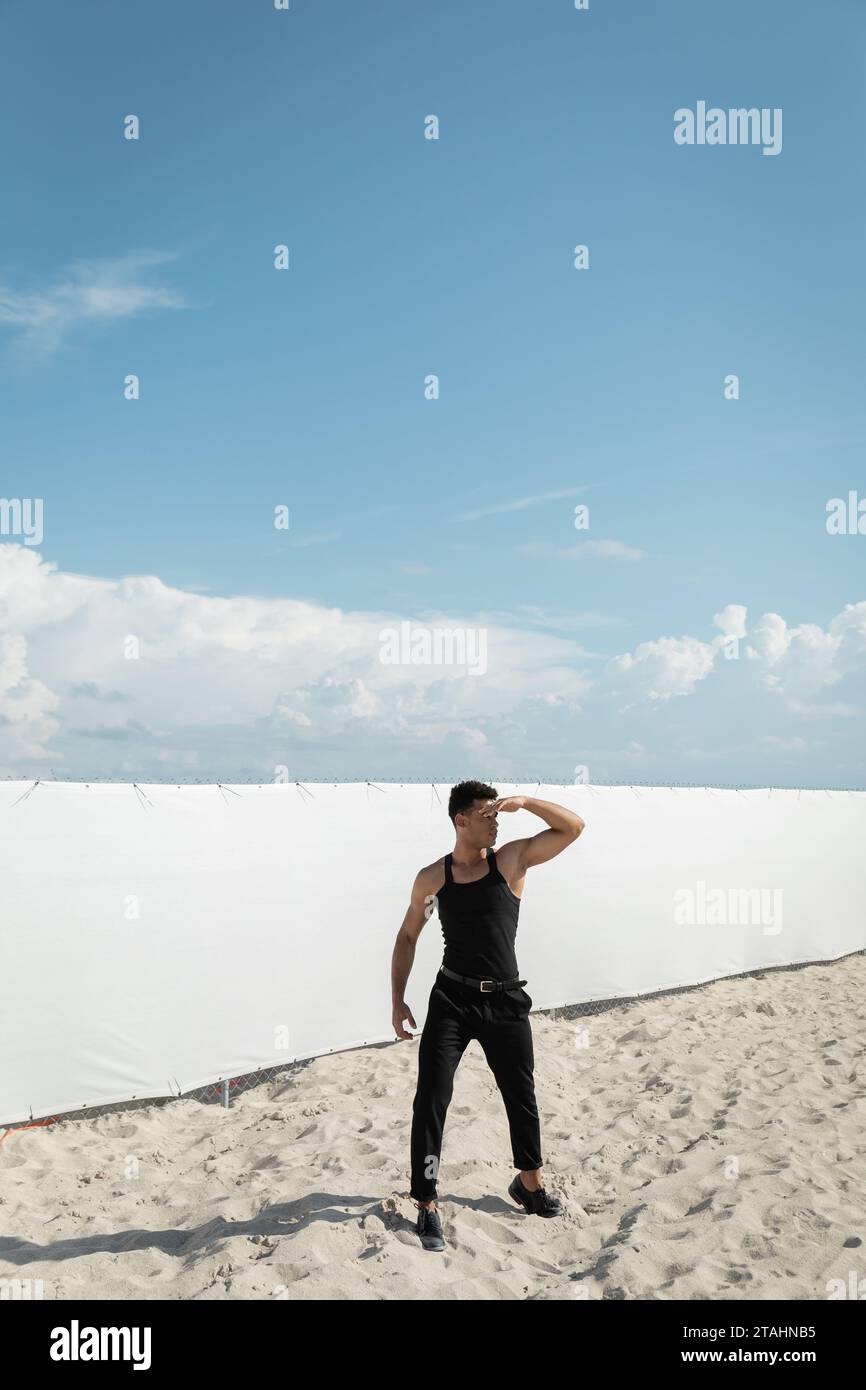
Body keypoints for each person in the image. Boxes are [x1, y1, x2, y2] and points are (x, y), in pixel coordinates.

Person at [391, 781, 585, 1251]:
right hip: (452, 1000)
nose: (496, 822)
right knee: (432, 1097)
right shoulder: (433, 878)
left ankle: (530, 1186)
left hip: (504, 999)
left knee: (521, 1094)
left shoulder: (512, 861)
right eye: (487, 815)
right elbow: (408, 936)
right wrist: (398, 1000)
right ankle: (427, 1202)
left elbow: (573, 828)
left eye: (498, 814)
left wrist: (527, 802)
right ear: (461, 820)